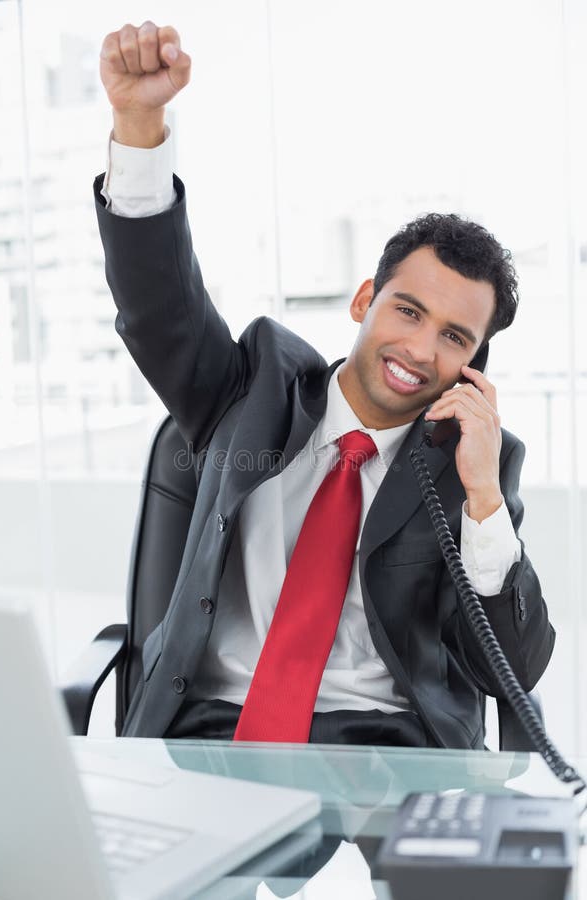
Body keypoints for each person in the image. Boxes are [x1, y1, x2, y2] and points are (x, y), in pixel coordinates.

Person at [95, 21, 554, 747]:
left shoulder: (469, 468)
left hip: (386, 746)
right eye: (408, 310)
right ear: (365, 299)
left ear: (474, 362)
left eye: (454, 337)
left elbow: (512, 672)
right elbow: (158, 308)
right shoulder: (250, 390)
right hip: (213, 728)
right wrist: (138, 124)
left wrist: (482, 498)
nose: (419, 349)